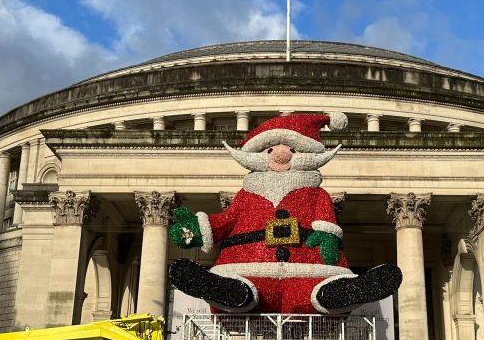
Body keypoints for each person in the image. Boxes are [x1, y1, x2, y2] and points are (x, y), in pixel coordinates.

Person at [168, 112, 401, 314]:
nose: (281, 155)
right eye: (270, 149)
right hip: (249, 269)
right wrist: (197, 230)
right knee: (242, 290)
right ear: (258, 154)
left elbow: (326, 222)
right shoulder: (246, 196)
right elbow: (226, 220)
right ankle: (231, 292)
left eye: (291, 149)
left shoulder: (317, 195)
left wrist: (327, 236)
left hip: (310, 270)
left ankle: (336, 292)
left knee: (319, 292)